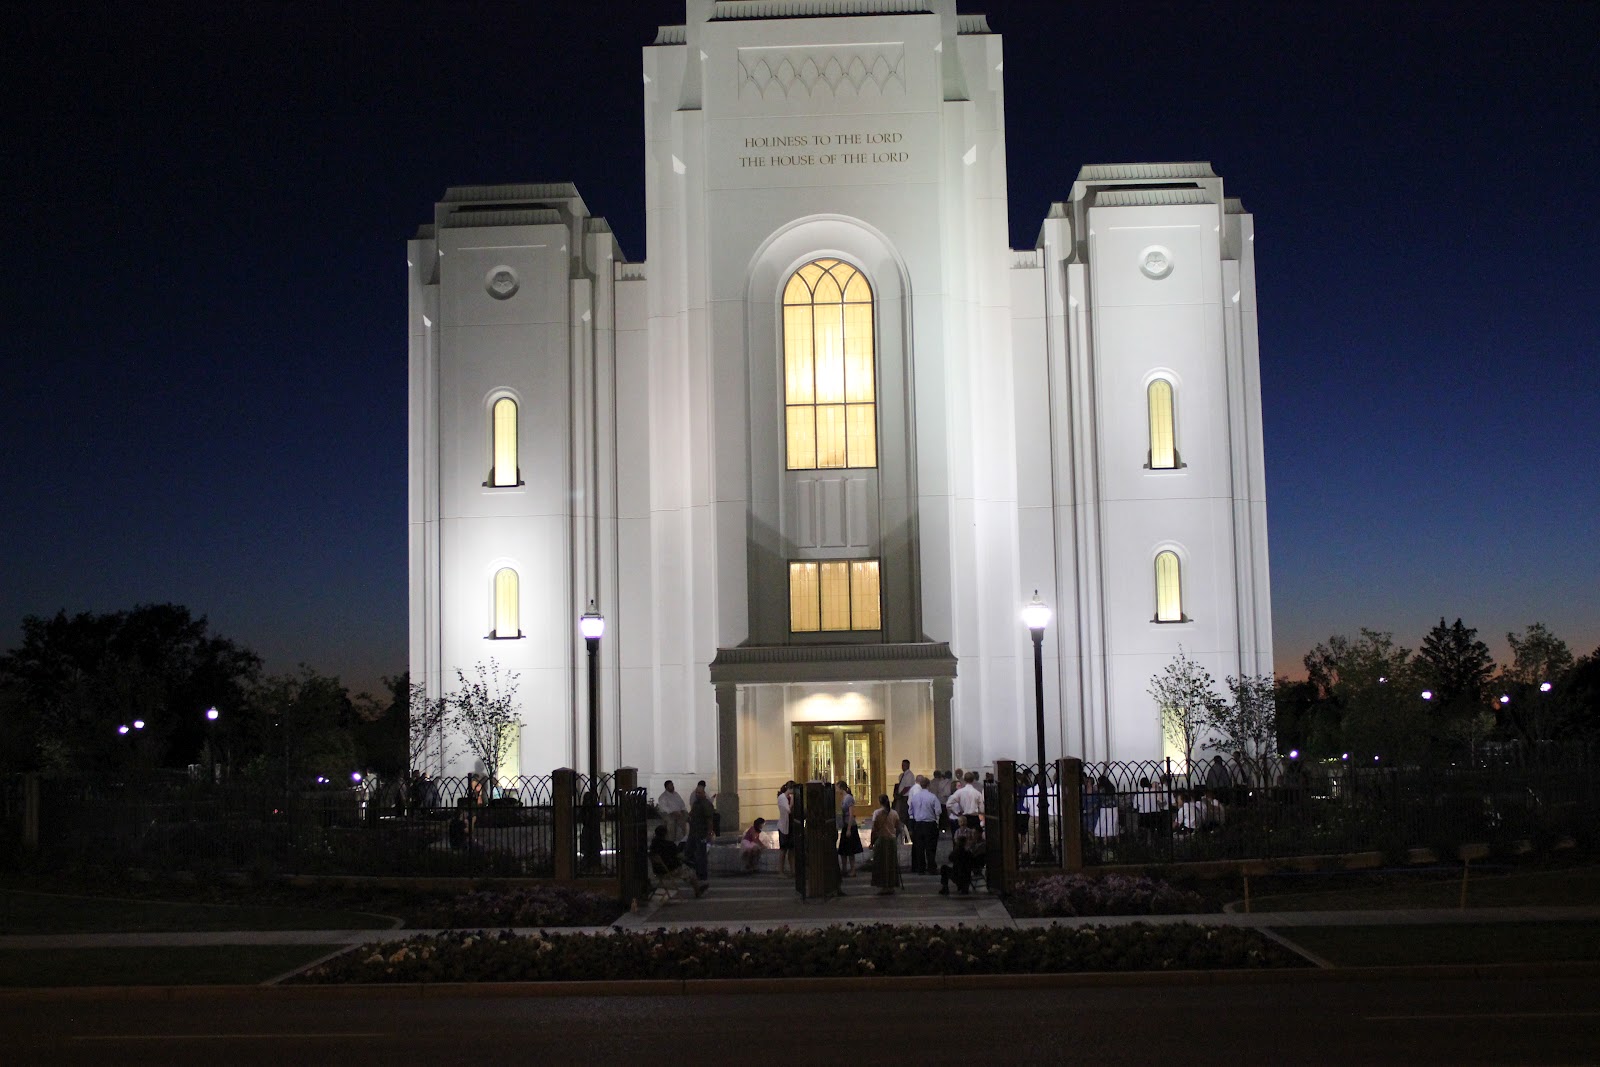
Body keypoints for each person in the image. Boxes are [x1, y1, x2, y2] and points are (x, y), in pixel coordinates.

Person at [650, 824, 707, 897]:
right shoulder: (669, 844)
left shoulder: (654, 845)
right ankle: (698, 891)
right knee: (690, 872)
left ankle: (698, 888)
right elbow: (678, 856)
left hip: (658, 870)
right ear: (665, 833)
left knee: (685, 869)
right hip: (670, 869)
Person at [939, 814, 987, 895]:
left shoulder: (979, 846)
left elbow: (952, 858)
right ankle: (961, 886)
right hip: (964, 871)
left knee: (951, 865)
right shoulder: (969, 848)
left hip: (963, 870)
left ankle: (948, 887)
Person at [907, 774, 941, 874]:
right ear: (928, 785)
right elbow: (938, 811)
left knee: (919, 848)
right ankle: (931, 868)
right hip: (930, 824)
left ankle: (920, 868)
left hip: (918, 824)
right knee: (930, 848)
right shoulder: (932, 797)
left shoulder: (915, 797)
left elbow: (910, 811)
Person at [869, 794, 902, 895]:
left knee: (881, 864)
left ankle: (884, 886)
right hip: (891, 840)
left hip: (881, 840)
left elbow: (874, 829)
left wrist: (872, 842)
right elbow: (898, 827)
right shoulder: (894, 813)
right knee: (891, 863)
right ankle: (891, 886)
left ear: (880, 802)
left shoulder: (877, 813)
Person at [687, 780, 716, 881]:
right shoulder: (696, 803)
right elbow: (692, 814)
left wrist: (709, 832)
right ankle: (696, 871)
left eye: (700, 793)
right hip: (693, 832)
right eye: (697, 793)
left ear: (704, 793)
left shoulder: (706, 804)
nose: (698, 794)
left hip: (701, 832)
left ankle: (702, 875)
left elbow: (709, 819)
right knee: (690, 852)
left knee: (701, 854)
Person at [836, 780, 863, 875]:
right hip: (845, 825)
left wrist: (848, 829)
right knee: (843, 850)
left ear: (841, 788)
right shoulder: (843, 798)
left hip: (850, 825)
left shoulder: (848, 798)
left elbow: (851, 814)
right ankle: (844, 868)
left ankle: (853, 869)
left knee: (851, 850)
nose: (836, 790)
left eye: (837, 787)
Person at [775, 781, 795, 876]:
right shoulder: (782, 798)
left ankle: (793, 870)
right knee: (783, 850)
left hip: (789, 826)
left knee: (791, 849)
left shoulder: (788, 797)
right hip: (783, 827)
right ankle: (780, 871)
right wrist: (792, 802)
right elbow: (788, 810)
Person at [893, 760, 915, 843]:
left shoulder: (909, 775)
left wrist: (900, 794)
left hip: (905, 797)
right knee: (900, 814)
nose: (903, 766)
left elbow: (907, 787)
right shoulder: (903, 775)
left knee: (904, 815)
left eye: (904, 765)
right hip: (901, 797)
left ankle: (906, 834)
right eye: (902, 765)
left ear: (908, 765)